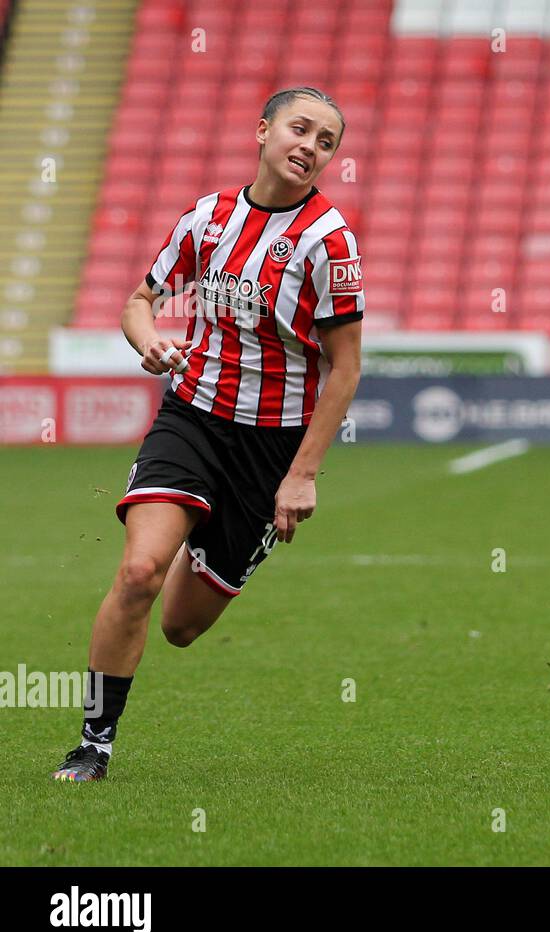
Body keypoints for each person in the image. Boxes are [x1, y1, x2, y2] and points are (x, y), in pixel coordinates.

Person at [52, 87, 365, 782]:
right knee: (137, 573)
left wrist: (303, 473)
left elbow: (345, 368)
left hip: (270, 448)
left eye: (326, 142)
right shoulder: (207, 218)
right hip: (192, 418)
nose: (311, 147)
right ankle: (92, 746)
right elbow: (141, 302)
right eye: (301, 129)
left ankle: (207, 537)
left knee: (180, 627)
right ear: (262, 130)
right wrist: (149, 341)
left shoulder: (329, 243)